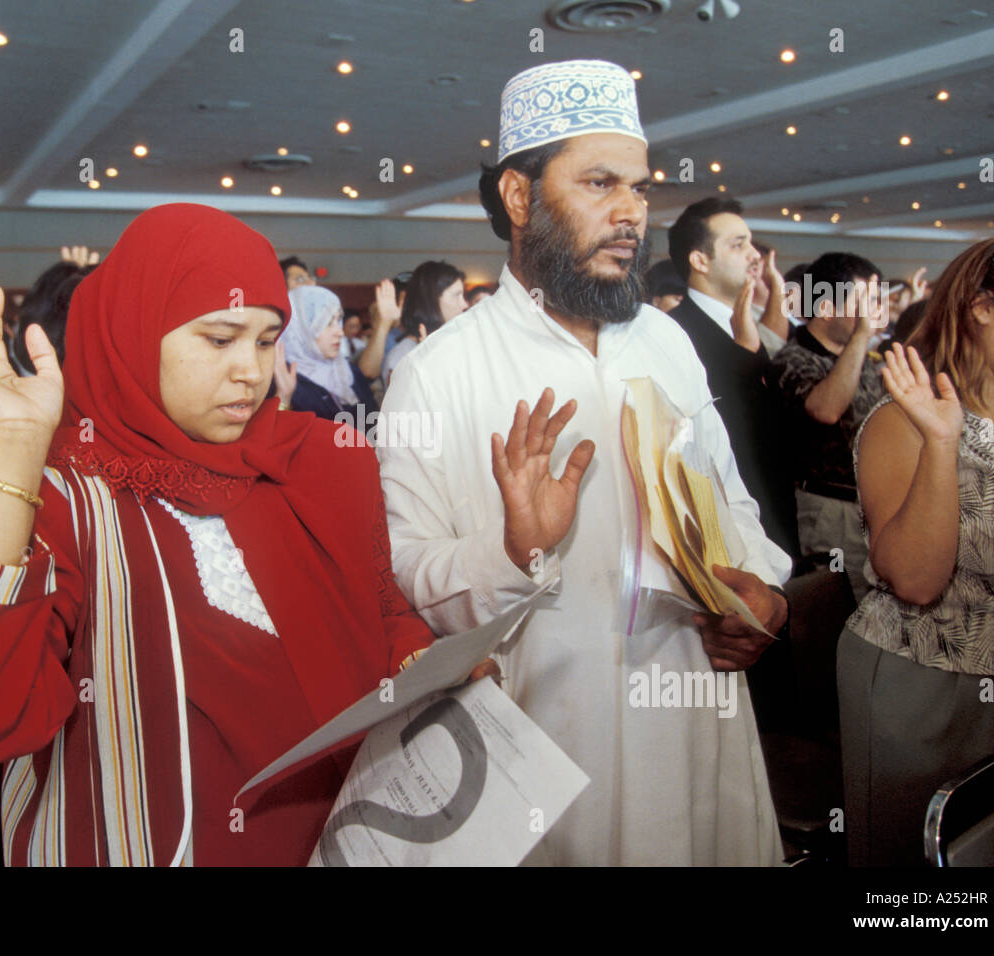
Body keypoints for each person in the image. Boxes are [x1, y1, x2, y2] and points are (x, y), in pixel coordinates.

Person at [0, 204, 436, 866]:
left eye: (266, 339)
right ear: (135, 330)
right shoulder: (66, 496)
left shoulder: (319, 459)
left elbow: (380, 606)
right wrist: (12, 450)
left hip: (357, 835)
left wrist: (425, 665)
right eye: (220, 339)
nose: (251, 370)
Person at [379, 59, 790, 866]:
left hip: (698, 708)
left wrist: (762, 596)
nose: (630, 213)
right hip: (550, 747)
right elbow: (405, 573)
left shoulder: (666, 341)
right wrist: (510, 551)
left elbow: (730, 501)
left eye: (639, 188)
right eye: (600, 184)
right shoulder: (439, 371)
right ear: (520, 197)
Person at [838, 234, 994, 866]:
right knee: (915, 879)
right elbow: (917, 581)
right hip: (927, 680)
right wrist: (942, 445)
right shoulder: (904, 418)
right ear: (982, 306)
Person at [667, 196, 799, 561]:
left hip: (773, 519)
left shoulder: (742, 324)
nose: (755, 255)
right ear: (700, 260)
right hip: (724, 536)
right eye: (738, 245)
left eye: (751, 242)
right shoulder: (676, 332)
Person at [769, 252, 887, 601]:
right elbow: (826, 409)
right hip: (828, 509)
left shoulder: (862, 358)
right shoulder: (794, 358)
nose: (873, 313)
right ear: (825, 308)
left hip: (870, 506)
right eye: (865, 303)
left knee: (871, 605)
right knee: (834, 602)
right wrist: (863, 336)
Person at [275, 284, 377, 421]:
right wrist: (283, 400)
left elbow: (374, 424)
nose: (340, 332)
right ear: (301, 328)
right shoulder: (282, 380)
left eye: (338, 320)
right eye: (328, 323)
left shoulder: (348, 371)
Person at [381, 261, 466, 386]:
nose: (464, 304)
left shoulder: (451, 342)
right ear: (432, 301)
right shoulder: (403, 356)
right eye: (456, 295)